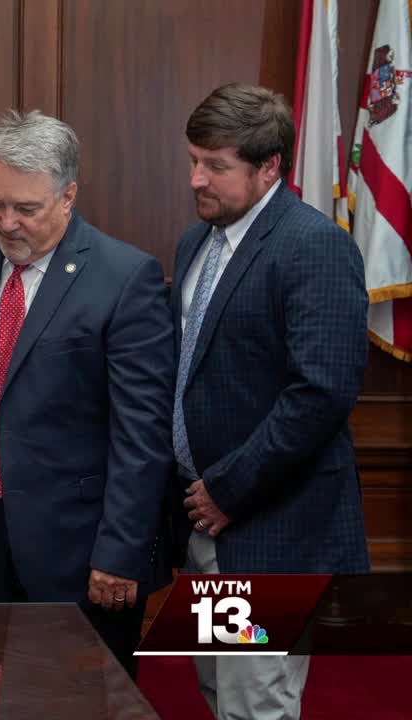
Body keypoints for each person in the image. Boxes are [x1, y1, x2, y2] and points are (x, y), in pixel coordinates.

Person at [0, 110, 175, 677]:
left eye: (26, 209)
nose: (7, 223)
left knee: (79, 703)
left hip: (80, 549)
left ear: (67, 196)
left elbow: (141, 435)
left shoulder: (126, 278)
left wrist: (120, 553)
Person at [173, 83, 369, 719]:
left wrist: (229, 487)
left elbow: (323, 392)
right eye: (194, 159)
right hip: (203, 523)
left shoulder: (314, 246)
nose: (197, 178)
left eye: (216, 166)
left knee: (255, 705)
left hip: (270, 527)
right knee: (217, 693)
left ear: (270, 168)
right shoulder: (196, 242)